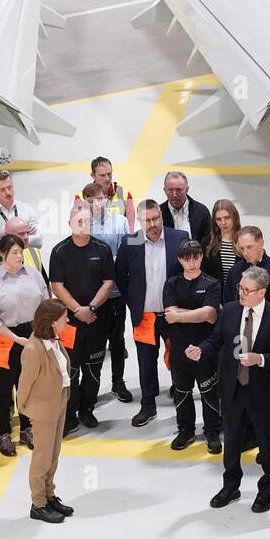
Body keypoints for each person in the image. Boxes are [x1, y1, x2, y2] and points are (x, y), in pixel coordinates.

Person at [189, 266, 270, 513]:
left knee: (268, 445)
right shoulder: (230, 311)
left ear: (262, 292)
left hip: (262, 391)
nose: (241, 293)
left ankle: (267, 491)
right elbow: (216, 340)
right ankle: (231, 485)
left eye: (247, 290)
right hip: (232, 388)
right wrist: (201, 349)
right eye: (240, 287)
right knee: (232, 441)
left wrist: (261, 359)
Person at [117, 200, 188, 427]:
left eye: (155, 218)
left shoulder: (179, 238)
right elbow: (121, 276)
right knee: (145, 362)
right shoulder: (130, 242)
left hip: (172, 315)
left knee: (178, 359)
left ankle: (182, 398)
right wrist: (135, 303)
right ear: (139, 221)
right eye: (147, 220)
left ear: (161, 217)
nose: (152, 224)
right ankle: (148, 405)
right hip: (145, 316)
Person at [0, 234, 50, 456]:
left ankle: (27, 427)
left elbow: (45, 301)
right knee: (2, 388)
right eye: (15, 253)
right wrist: (16, 339)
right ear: (2, 254)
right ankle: (3, 432)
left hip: (32, 333)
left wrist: (40, 332)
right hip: (3, 337)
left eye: (21, 251)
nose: (20, 256)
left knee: (28, 385)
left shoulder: (33, 274)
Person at [49, 206, 116, 434]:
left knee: (93, 368)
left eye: (87, 220)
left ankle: (87, 409)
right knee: (71, 369)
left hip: (98, 318)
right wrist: (78, 310)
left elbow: (108, 282)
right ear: (69, 222)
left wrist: (92, 307)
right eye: (78, 220)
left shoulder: (102, 249)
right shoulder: (60, 251)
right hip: (70, 322)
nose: (82, 224)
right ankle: (69, 413)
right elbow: (57, 285)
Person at [161, 240, 223, 452]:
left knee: (209, 391)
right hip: (179, 348)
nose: (192, 262)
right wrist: (199, 315)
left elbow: (210, 314)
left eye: (195, 257)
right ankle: (185, 430)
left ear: (201, 257)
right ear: (180, 260)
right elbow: (169, 315)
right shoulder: (171, 283)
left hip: (204, 348)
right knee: (182, 391)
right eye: (187, 258)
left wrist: (181, 315)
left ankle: (212, 431)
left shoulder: (212, 283)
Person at [19, 299, 77, 524]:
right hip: (42, 409)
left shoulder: (54, 340)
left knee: (53, 455)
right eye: (64, 318)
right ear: (52, 322)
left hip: (59, 401)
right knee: (42, 458)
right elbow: (25, 383)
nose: (68, 320)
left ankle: (49, 495)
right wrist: (23, 407)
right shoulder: (34, 349)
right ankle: (38, 503)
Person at [83, 181, 132, 403]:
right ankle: (91, 390)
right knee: (95, 343)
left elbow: (125, 254)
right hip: (94, 295)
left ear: (106, 198)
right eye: (92, 201)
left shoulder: (120, 221)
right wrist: (109, 262)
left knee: (118, 339)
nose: (97, 204)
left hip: (118, 292)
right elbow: (84, 260)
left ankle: (118, 383)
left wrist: (106, 263)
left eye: (100, 199)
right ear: (86, 202)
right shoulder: (82, 225)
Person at [223, 225, 270, 309]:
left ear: (261, 243)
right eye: (242, 248)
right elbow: (228, 302)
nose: (245, 253)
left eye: (249, 247)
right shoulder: (235, 270)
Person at [0, 169, 42, 248]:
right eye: (2, 190)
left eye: (9, 187)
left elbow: (38, 241)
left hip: (27, 259)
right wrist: (24, 236)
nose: (8, 192)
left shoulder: (27, 209)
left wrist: (2, 237)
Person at [160, 170, 210, 245]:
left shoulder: (202, 212)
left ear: (187, 190)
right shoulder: (158, 214)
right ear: (164, 190)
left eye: (178, 190)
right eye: (170, 190)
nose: (174, 194)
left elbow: (208, 244)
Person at [88, 157, 136, 231]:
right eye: (102, 175)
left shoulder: (125, 194)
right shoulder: (82, 197)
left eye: (109, 174)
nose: (107, 178)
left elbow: (130, 230)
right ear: (93, 176)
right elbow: (78, 230)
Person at [202, 199, 241, 283]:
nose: (223, 223)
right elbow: (203, 274)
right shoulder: (207, 243)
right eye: (219, 219)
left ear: (234, 217)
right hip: (214, 294)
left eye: (227, 218)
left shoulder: (244, 241)